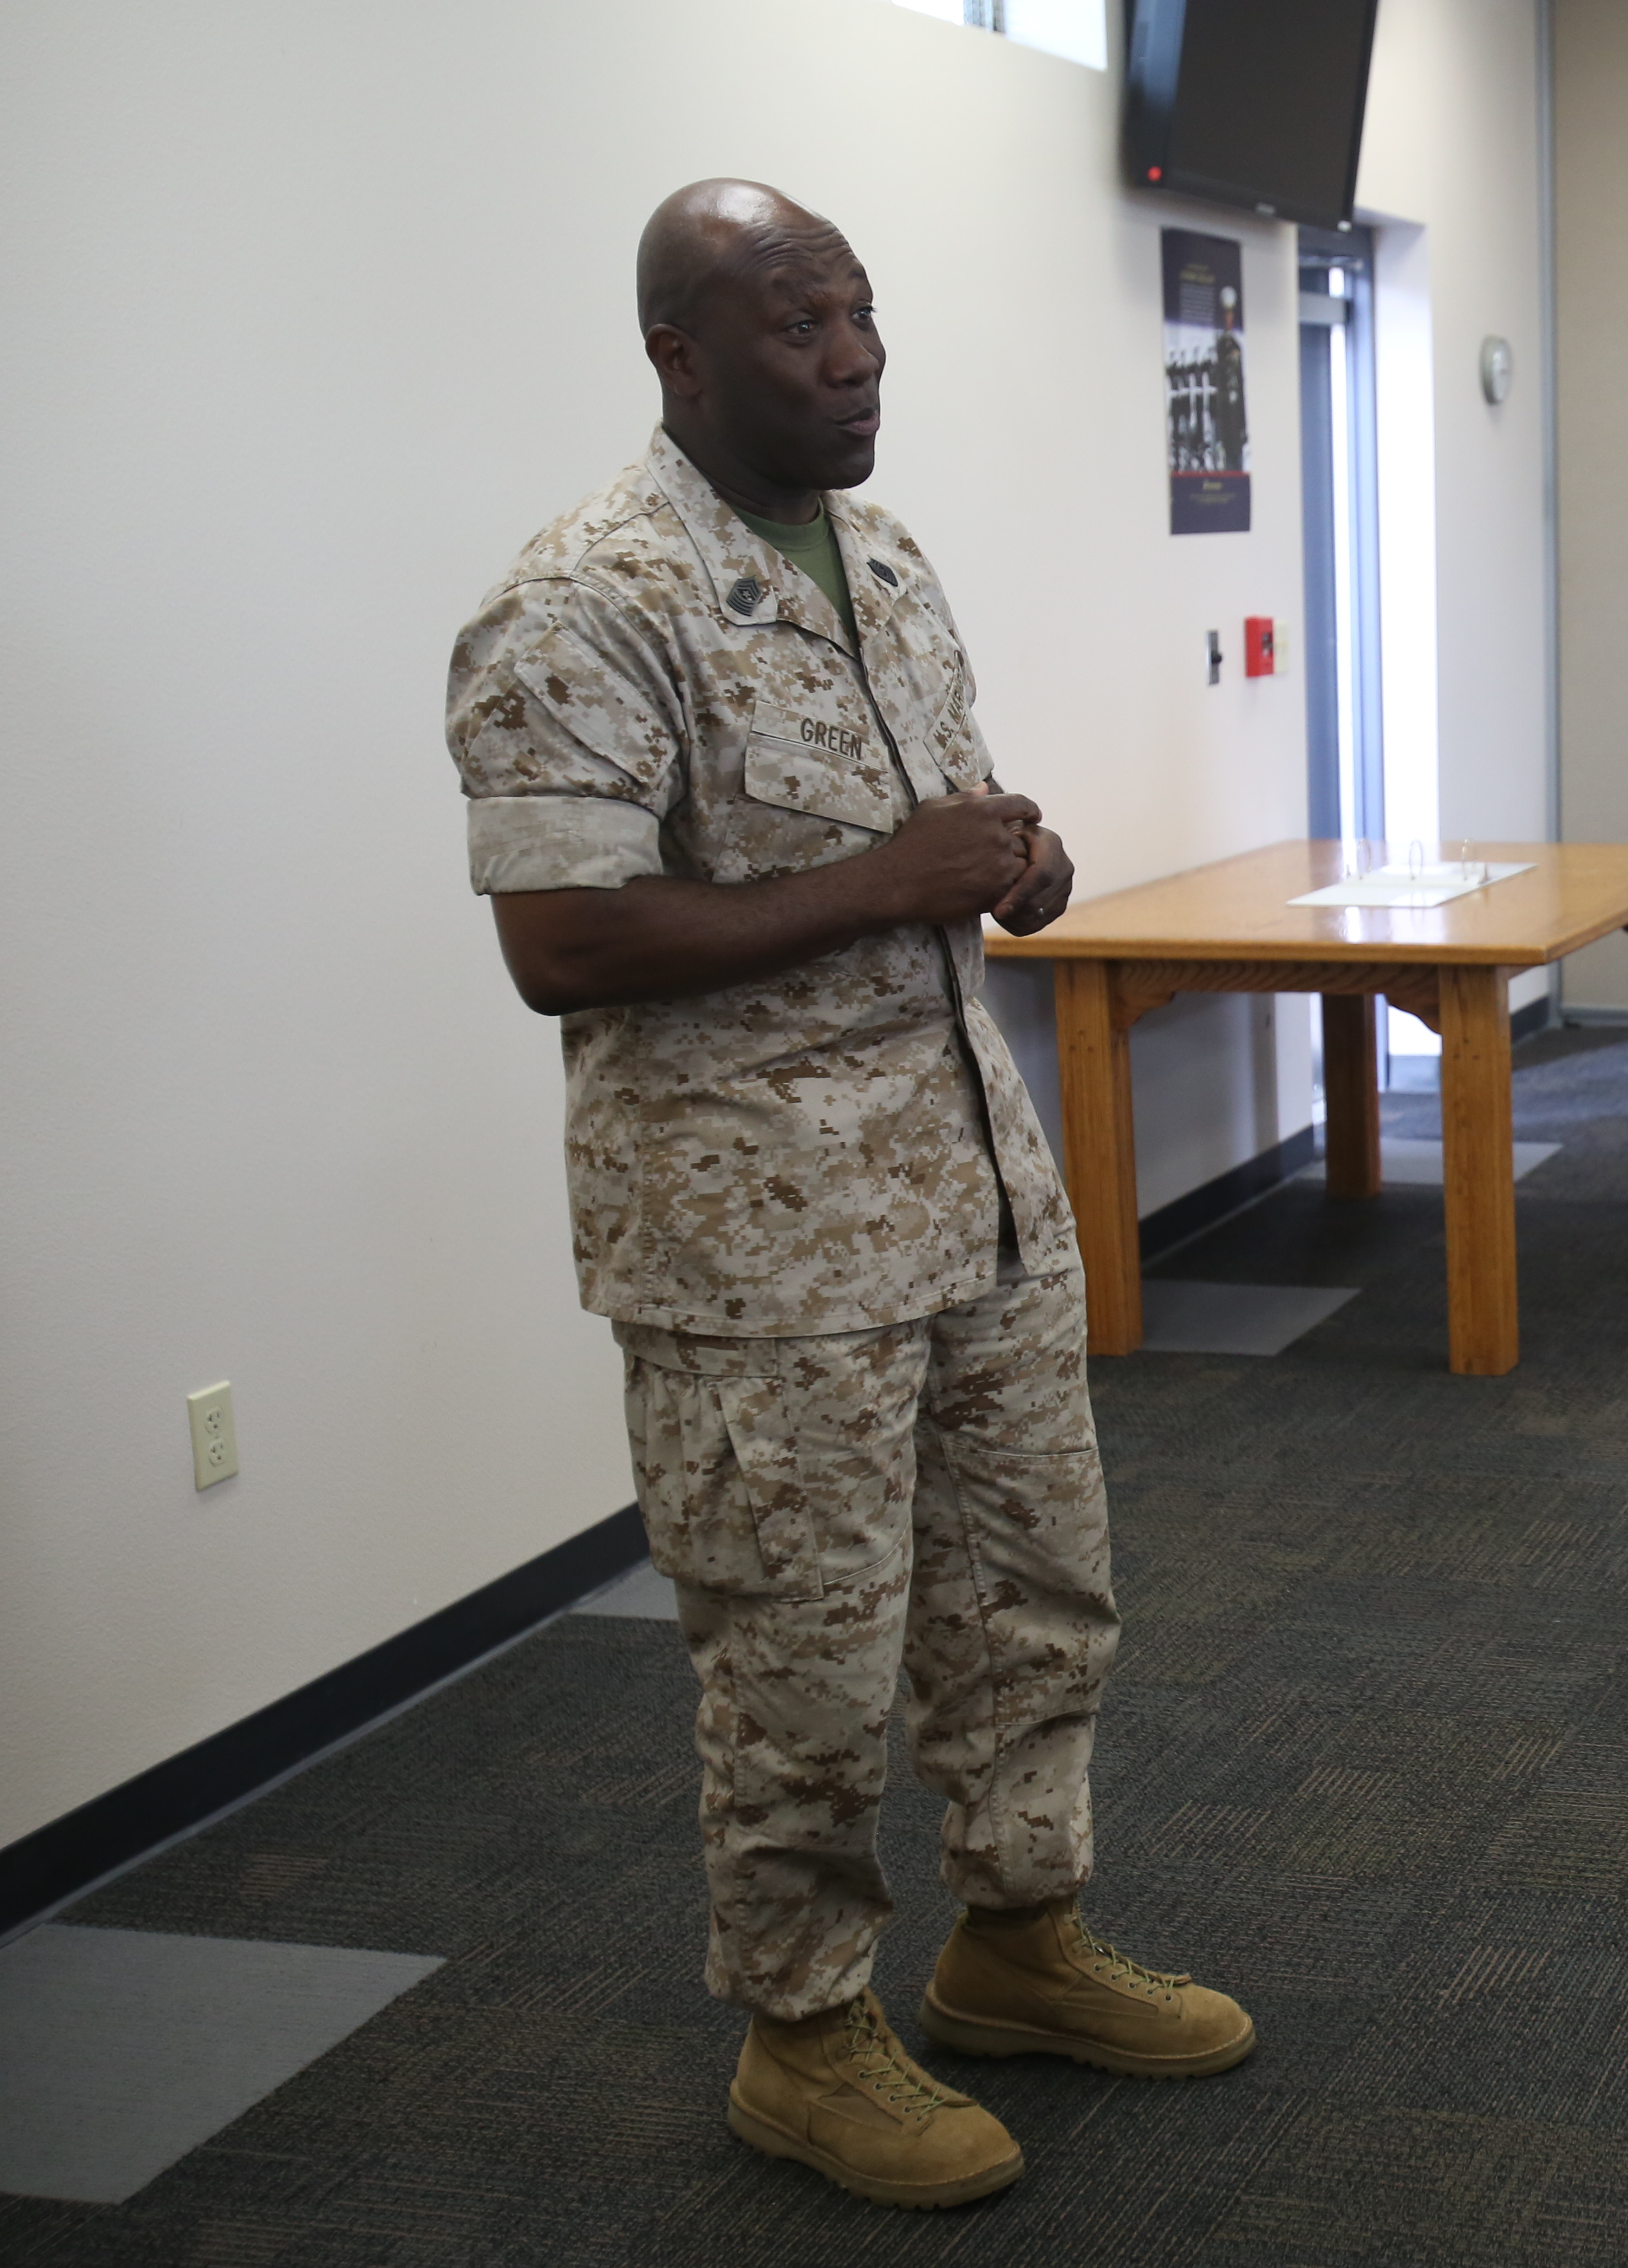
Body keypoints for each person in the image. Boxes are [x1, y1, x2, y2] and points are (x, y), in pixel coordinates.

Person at [446, 180, 1251, 2210]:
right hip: (756, 1242)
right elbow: (564, 941)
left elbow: (913, 843)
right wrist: (886, 884)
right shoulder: (586, 598)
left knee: (1032, 1592)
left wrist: (1006, 860)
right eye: (802, 325)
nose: (856, 356)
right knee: (802, 1647)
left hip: (965, 1185)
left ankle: (1017, 1943)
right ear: (682, 356)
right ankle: (803, 2039)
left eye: (866, 317)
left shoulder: (883, 557)